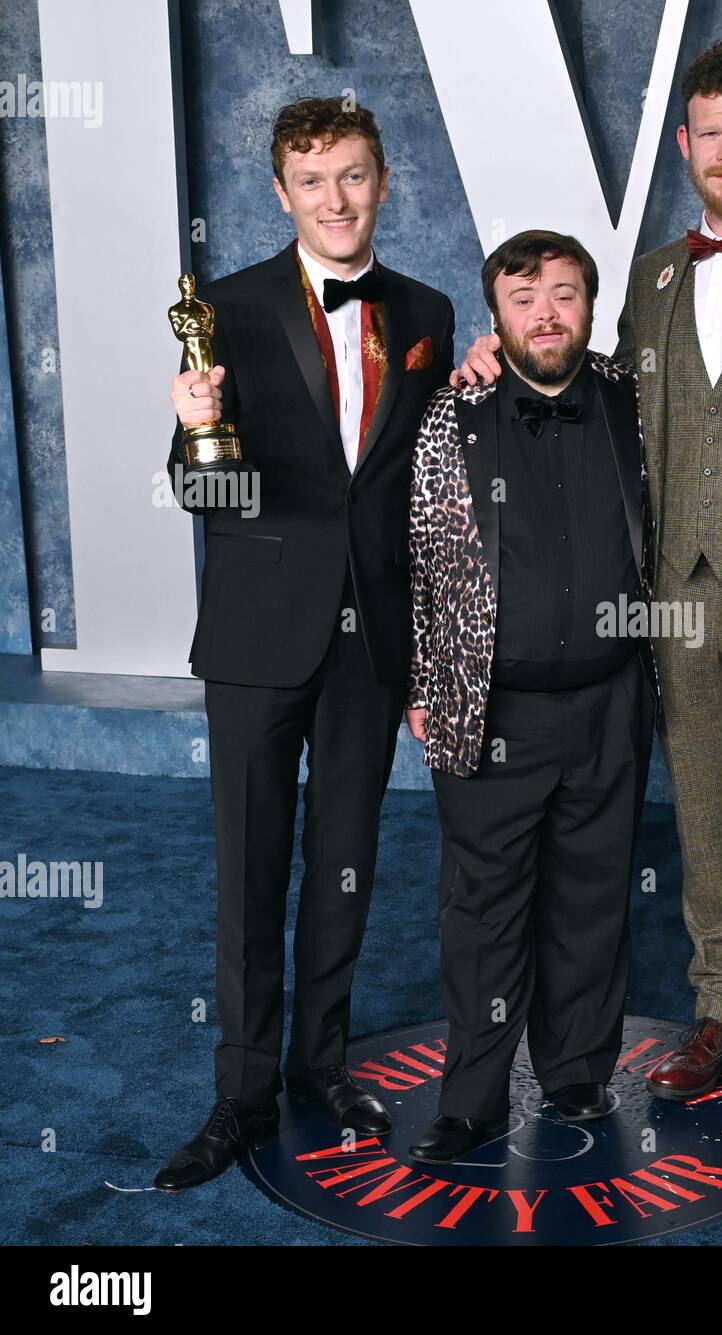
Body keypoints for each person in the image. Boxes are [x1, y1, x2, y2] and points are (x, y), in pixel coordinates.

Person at [454, 42, 722, 1166]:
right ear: (687, 145)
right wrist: (483, 361)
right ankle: (718, 1010)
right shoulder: (649, 277)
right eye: (709, 133)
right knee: (699, 822)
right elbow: (585, 390)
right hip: (669, 611)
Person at [155, 96, 454, 1191]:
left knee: (343, 864)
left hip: (369, 640)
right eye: (312, 181)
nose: (335, 199)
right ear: (282, 194)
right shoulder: (222, 308)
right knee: (250, 870)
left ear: (383, 182)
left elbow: (423, 486)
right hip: (254, 636)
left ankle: (321, 1065)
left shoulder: (426, 308)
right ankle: (240, 1094)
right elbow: (202, 488)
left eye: (354, 176)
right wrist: (193, 425)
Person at [404, 231, 657, 1164]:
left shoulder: (637, 400)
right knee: (484, 907)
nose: (545, 313)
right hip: (492, 708)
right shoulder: (451, 415)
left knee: (593, 896)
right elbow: (422, 559)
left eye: (563, 293)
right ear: (496, 315)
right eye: (524, 298)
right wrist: (428, 683)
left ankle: (579, 1071)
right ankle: (470, 1097)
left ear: (589, 305)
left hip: (611, 698)